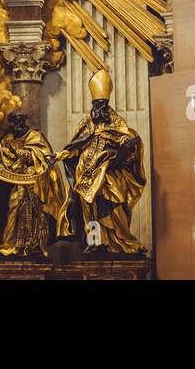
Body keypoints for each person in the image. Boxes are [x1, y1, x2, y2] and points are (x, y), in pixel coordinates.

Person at [57, 68, 147, 254]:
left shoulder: (117, 123)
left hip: (109, 176)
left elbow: (127, 139)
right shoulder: (86, 123)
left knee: (112, 208)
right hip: (87, 178)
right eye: (96, 104)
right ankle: (95, 242)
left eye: (102, 104)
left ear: (107, 105)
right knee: (91, 213)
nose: (99, 109)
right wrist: (61, 155)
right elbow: (75, 147)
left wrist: (126, 146)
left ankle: (120, 240)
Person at [0, 111, 67, 257]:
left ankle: (33, 245)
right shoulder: (7, 139)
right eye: (14, 122)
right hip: (14, 182)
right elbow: (1, 161)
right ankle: (10, 244)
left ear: (24, 122)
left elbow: (43, 155)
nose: (16, 125)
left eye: (19, 121)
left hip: (34, 185)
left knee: (30, 213)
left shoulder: (35, 136)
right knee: (13, 206)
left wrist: (18, 153)